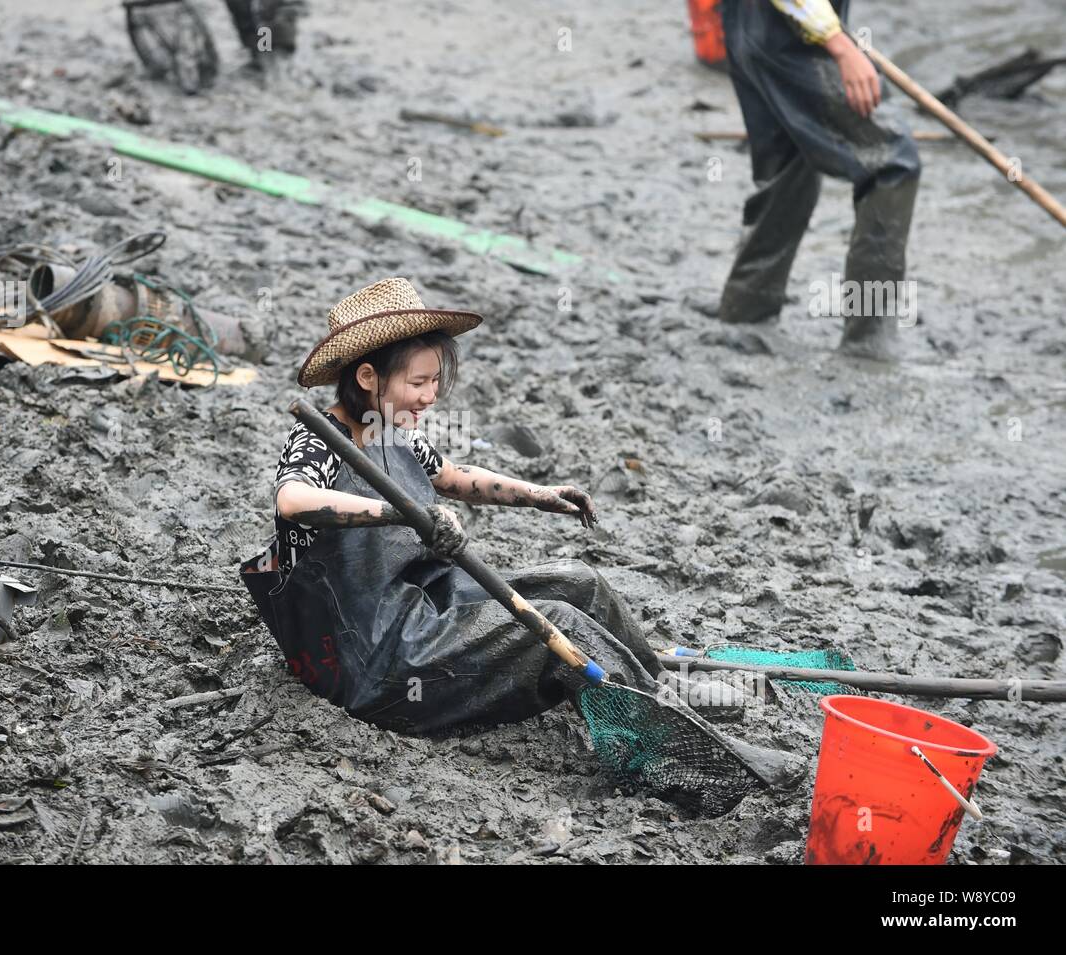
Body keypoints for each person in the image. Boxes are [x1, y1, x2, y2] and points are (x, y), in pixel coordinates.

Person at [239, 277, 669, 734]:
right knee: (556, 623)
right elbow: (293, 499)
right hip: (377, 659)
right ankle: (657, 731)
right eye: (418, 382)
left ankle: (660, 691)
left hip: (431, 599)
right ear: (367, 377)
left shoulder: (391, 428)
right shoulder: (318, 439)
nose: (430, 396)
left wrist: (538, 495)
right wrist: (403, 513)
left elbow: (449, 474)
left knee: (579, 584)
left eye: (436, 380)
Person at [717, 0, 921, 358]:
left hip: (750, 24)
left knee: (789, 161)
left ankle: (746, 306)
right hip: (790, 33)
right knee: (891, 163)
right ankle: (868, 337)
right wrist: (840, 45)